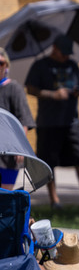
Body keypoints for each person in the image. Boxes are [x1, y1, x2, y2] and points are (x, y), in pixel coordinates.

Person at [24, 34, 79, 209]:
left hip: (71, 121)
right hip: (48, 122)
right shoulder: (40, 65)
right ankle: (54, 200)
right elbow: (30, 89)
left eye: (69, 53)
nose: (66, 56)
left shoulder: (72, 65)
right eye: (64, 53)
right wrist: (52, 94)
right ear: (55, 48)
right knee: (49, 162)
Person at [0, 47, 35, 190]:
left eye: (1, 63)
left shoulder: (14, 88)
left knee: (5, 193)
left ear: (6, 66)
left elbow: (23, 119)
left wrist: (20, 147)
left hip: (8, 151)